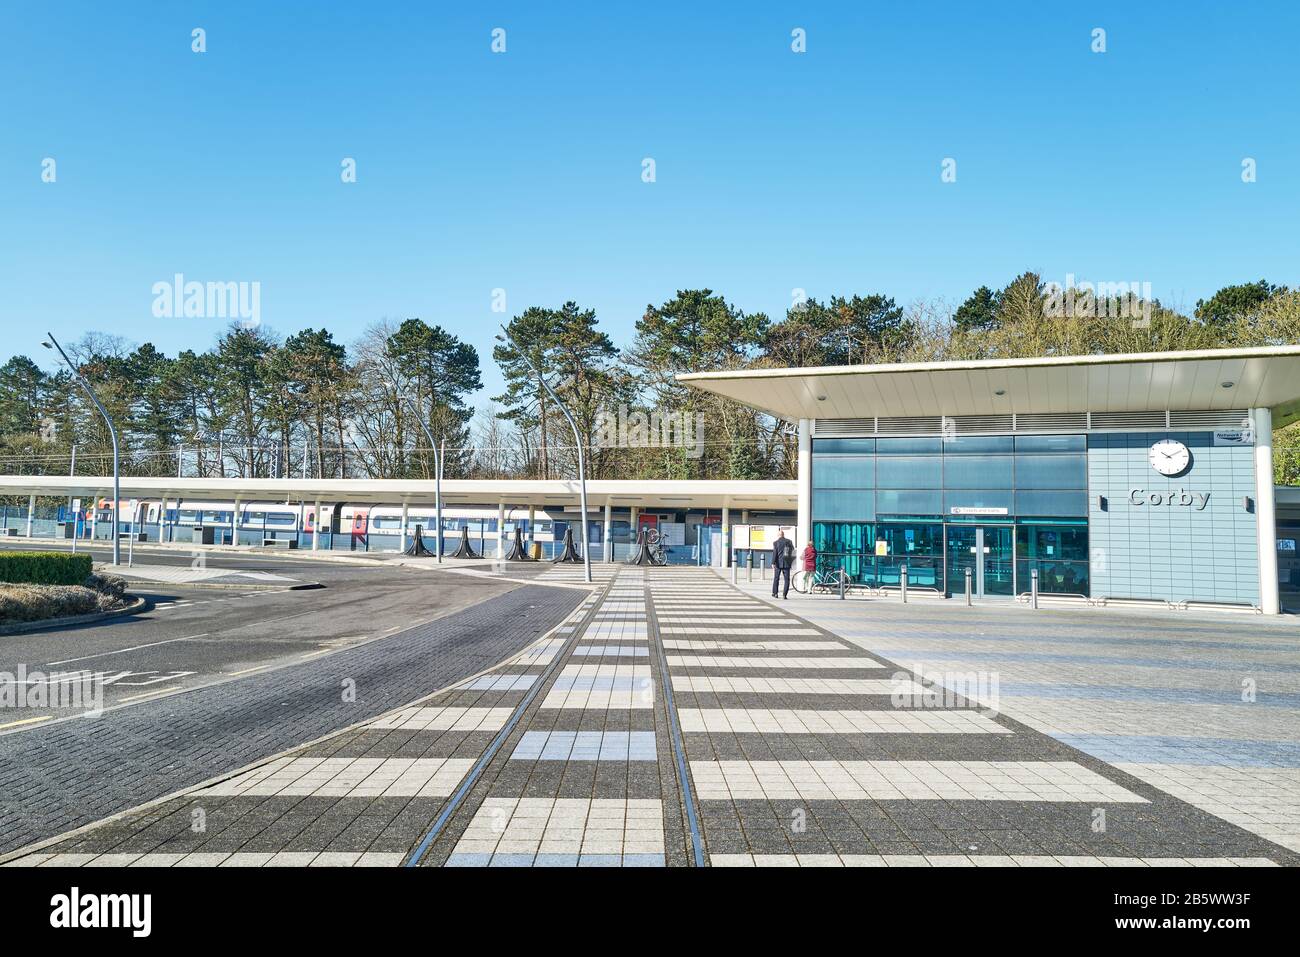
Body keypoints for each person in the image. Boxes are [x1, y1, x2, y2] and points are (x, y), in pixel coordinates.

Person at [771, 529, 795, 599]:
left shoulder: (776, 543)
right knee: (787, 579)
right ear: (783, 535)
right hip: (787, 563)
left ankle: (775, 593)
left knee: (776, 578)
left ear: (778, 535)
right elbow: (792, 551)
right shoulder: (789, 542)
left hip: (778, 563)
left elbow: (775, 553)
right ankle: (784, 594)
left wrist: (773, 562)